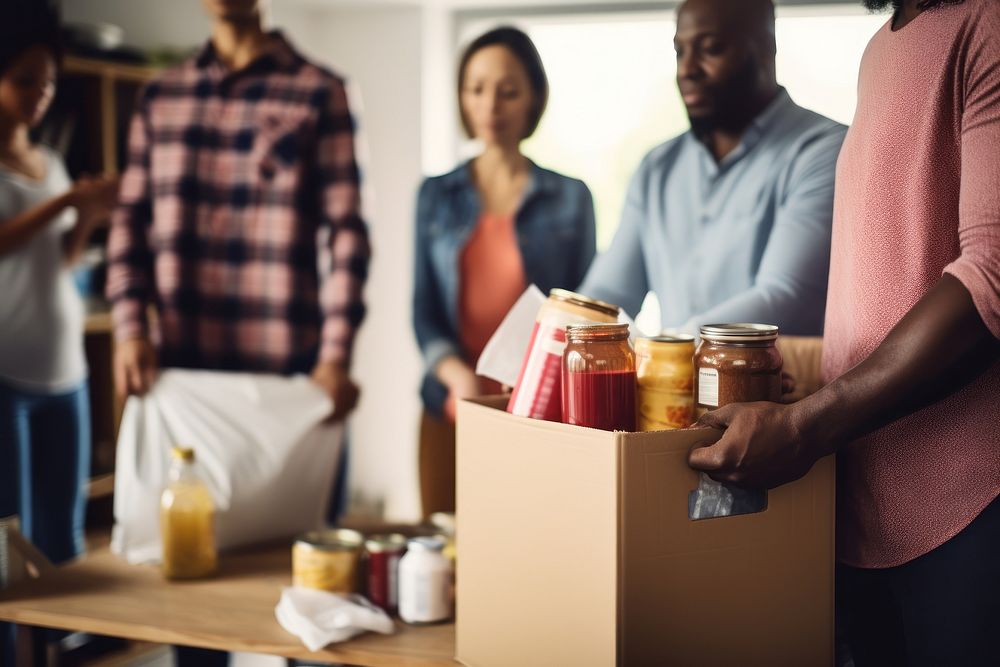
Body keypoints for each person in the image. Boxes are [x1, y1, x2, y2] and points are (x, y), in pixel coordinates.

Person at [688, 0, 1000, 663]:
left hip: (970, 510)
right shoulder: (881, 48)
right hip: (861, 507)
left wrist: (808, 424)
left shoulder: (989, 23)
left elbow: (991, 280)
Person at [105, 0, 371, 664]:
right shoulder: (159, 98)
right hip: (186, 386)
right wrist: (130, 327)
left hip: (289, 386)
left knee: (301, 603)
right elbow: (129, 223)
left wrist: (337, 354)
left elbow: (347, 236)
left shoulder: (321, 91)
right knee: (191, 603)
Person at [413, 26, 596, 516]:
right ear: (461, 98)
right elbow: (423, 312)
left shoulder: (571, 198)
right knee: (447, 556)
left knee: (533, 547)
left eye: (508, 90)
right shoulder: (434, 195)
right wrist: (459, 380)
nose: (491, 104)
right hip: (449, 407)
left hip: (541, 413)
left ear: (532, 98)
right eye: (476, 88)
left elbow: (585, 315)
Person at [579, 0, 845, 337]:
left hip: (783, 386)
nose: (687, 69)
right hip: (674, 386)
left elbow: (787, 296)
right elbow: (609, 296)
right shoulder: (657, 168)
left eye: (711, 49)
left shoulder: (824, 150)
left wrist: (667, 349)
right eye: (680, 52)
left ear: (766, 48)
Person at [0, 5, 118, 665]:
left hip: (65, 366)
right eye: (24, 80)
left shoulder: (48, 159)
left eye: (46, 84)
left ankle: (60, 646)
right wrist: (67, 203)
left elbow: (61, 260)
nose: (38, 95)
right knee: (6, 538)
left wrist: (87, 216)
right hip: (7, 374)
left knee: (61, 530)